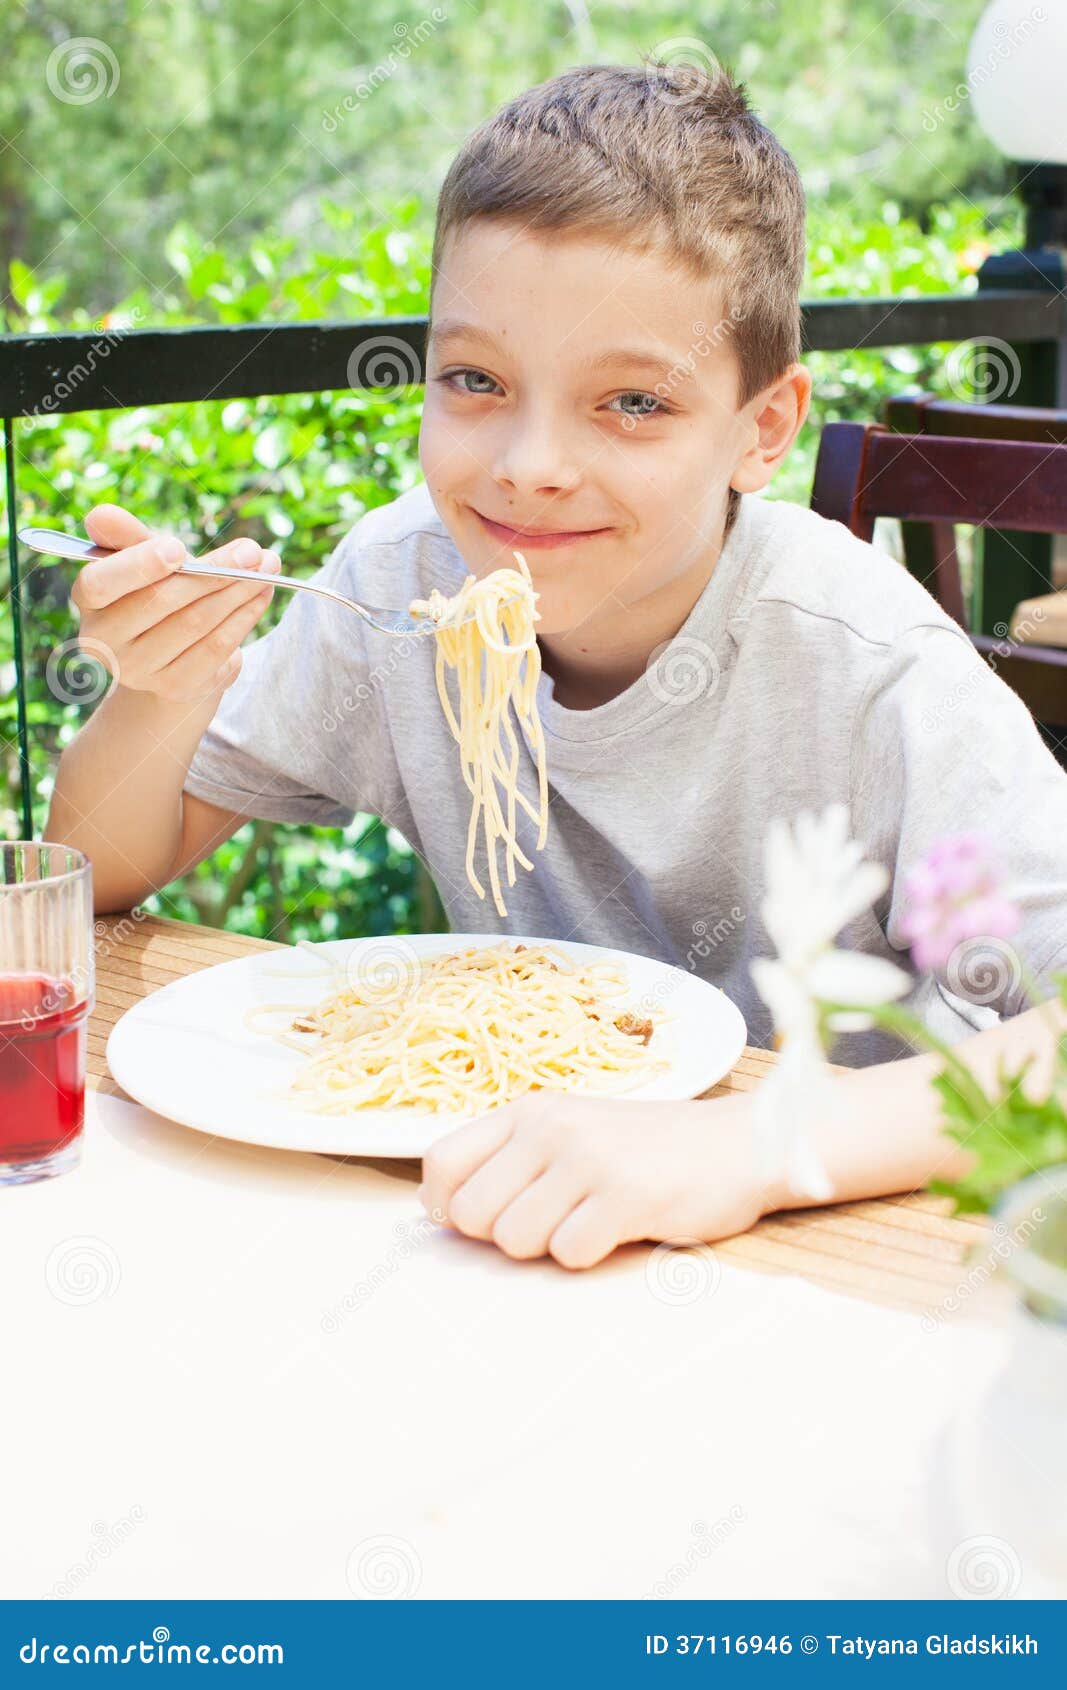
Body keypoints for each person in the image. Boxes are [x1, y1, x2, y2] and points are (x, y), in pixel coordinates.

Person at [48, 61, 1067, 1268]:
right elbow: (99, 879)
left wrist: (746, 1145)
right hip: (506, 1217)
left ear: (762, 430)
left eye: (631, 402)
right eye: (474, 380)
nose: (528, 465)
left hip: (850, 1243)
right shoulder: (398, 584)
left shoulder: (869, 670)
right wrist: (160, 697)